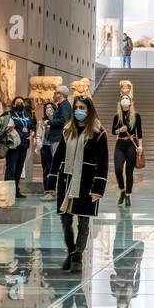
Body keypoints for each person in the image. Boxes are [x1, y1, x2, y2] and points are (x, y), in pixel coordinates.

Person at [48, 94, 108, 273]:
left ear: (89, 110)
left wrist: (98, 188)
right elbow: (58, 156)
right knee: (65, 219)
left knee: (83, 221)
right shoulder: (68, 130)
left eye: (82, 108)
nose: (79, 111)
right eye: (77, 108)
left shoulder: (98, 132)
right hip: (67, 180)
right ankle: (71, 250)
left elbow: (103, 162)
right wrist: (51, 181)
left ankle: (78, 256)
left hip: (87, 182)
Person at [111, 88, 142, 208]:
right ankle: (122, 190)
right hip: (120, 145)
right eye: (123, 98)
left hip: (131, 144)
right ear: (120, 102)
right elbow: (113, 132)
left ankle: (128, 195)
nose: (124, 100)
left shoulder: (136, 116)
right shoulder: (116, 116)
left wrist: (140, 146)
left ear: (130, 102)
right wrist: (120, 130)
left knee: (129, 172)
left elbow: (140, 132)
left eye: (127, 98)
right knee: (118, 170)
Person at [4, 95, 35, 198]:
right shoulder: (9, 114)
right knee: (11, 167)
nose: (20, 104)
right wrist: (7, 130)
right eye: (17, 102)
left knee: (19, 168)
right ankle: (8, 190)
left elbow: (32, 126)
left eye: (21, 102)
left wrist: (32, 133)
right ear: (13, 104)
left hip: (24, 145)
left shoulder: (27, 114)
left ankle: (16, 190)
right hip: (13, 146)